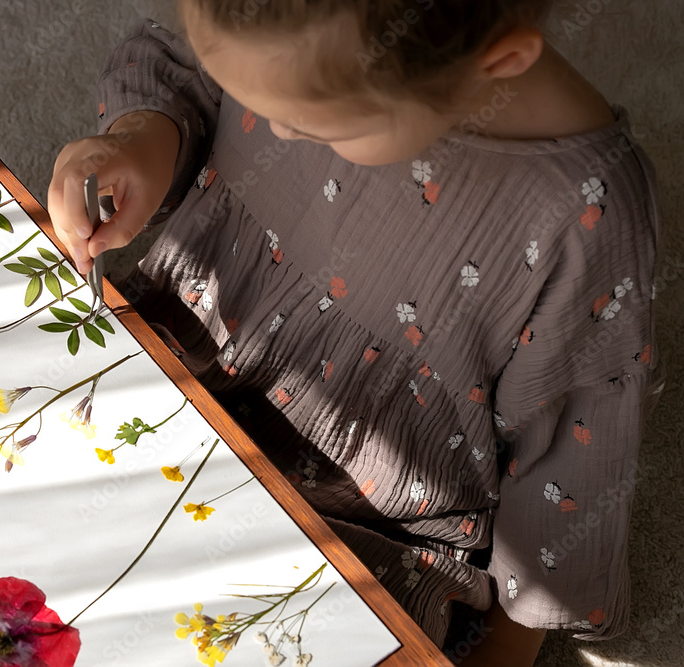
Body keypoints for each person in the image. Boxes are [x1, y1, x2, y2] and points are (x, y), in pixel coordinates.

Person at [48, 1, 666, 664]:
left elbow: (571, 449)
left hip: (361, 513)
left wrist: (507, 641)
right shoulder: (291, 36)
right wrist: (141, 141)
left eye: (308, 122)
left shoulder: (586, 214)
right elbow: (203, 80)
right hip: (176, 355)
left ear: (500, 62)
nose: (270, 130)